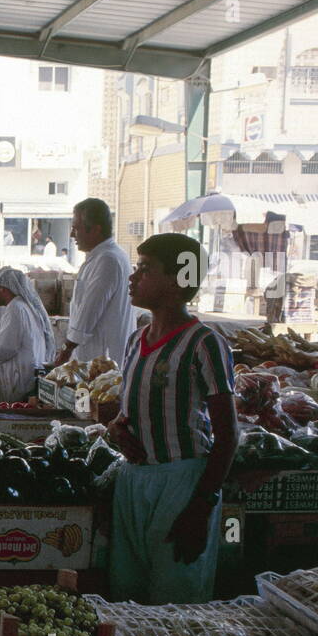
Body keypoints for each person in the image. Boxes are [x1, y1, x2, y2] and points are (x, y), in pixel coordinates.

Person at [106, 233, 237, 605]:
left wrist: (201, 505)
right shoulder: (136, 340)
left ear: (179, 279)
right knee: (127, 594)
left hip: (182, 483)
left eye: (145, 269)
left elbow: (228, 435)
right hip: (134, 481)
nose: (133, 277)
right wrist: (117, 427)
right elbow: (129, 409)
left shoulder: (204, 343)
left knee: (174, 598)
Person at [53, 197, 133, 367]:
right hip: (94, 356)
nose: (72, 234)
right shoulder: (101, 256)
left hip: (104, 358)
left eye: (76, 228)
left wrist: (65, 351)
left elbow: (88, 312)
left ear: (96, 230)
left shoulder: (108, 259)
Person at [0, 268, 56, 402]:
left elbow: (4, 348)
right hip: (27, 374)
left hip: (17, 379)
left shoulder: (15, 308)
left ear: (4, 289)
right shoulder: (23, 306)